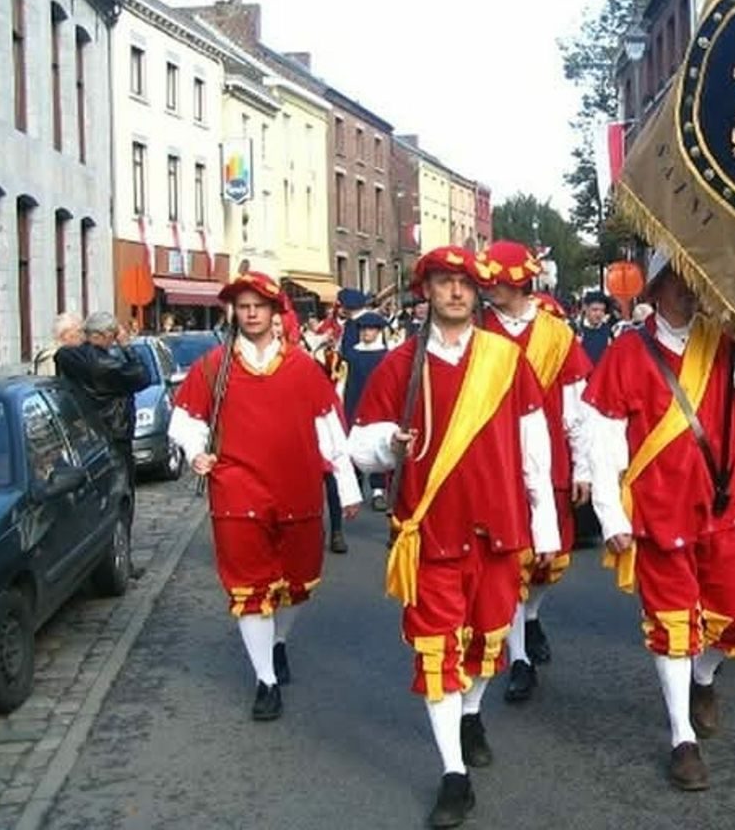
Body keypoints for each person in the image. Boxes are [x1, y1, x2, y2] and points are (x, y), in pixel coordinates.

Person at [346, 246, 559, 829]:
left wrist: (543, 523)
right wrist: (388, 443)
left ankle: (471, 713)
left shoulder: (506, 360)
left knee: (487, 643)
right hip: (430, 532)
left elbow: (534, 446)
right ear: (427, 291)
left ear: (478, 289)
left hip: (498, 530)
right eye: (444, 282)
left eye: (465, 282)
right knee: (436, 650)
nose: (457, 292)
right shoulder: (400, 365)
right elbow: (359, 445)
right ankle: (453, 775)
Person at [584, 256, 735, 791]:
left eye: (695, 280)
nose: (688, 290)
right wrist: (610, 512)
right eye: (676, 280)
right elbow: (603, 435)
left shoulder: (728, 340)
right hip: (658, 508)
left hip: (723, 502)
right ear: (655, 290)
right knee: (673, 623)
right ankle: (682, 737)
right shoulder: (627, 351)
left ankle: (704, 678)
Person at [168, 270, 361, 722]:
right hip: (236, 487)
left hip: (297, 485)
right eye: (244, 306)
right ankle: (265, 680)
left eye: (259, 306)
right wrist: (196, 452)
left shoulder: (302, 368)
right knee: (249, 585)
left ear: (275, 312)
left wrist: (347, 488)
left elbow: (329, 428)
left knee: (298, 580)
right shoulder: (214, 366)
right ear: (234, 312)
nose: (251, 313)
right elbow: (185, 418)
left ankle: (277, 642)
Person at [480, 241, 592, 703]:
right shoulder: (478, 328)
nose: (489, 288)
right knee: (509, 558)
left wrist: (583, 465)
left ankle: (529, 617)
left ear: (519, 283)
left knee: (550, 558)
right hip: (495, 455)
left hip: (550, 457)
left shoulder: (557, 334)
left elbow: (576, 404)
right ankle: (519, 658)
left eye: (497, 281)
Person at [55, 312, 150, 484]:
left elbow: (61, 355)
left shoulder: (69, 357)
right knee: (120, 486)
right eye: (112, 336)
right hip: (114, 431)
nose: (113, 341)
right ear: (101, 335)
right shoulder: (107, 364)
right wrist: (127, 347)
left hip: (85, 431)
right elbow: (143, 376)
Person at [339, 310, 391, 516]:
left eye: (371, 329)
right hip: (353, 402)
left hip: (378, 404)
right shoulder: (351, 354)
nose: (366, 333)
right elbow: (342, 379)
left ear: (378, 332)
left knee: (378, 445)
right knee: (353, 443)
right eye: (363, 329)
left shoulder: (386, 355)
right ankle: (355, 487)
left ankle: (378, 490)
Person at [574, 291, 615, 365]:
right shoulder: (576, 330)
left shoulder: (608, 331)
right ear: (585, 308)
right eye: (595, 310)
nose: (598, 314)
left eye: (602, 310)